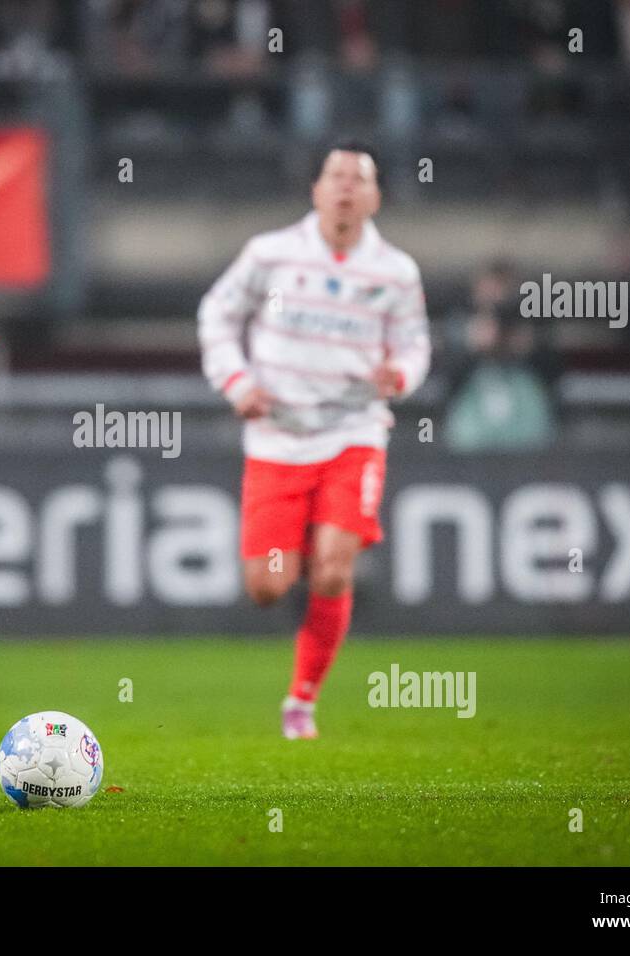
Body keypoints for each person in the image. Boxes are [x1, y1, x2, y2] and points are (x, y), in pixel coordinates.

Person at [197, 141, 429, 739]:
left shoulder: (396, 272)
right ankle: (303, 540)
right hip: (278, 437)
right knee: (269, 586)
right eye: (336, 176)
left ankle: (301, 701)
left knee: (331, 571)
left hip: (354, 432)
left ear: (375, 197)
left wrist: (400, 375)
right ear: (316, 191)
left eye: (359, 178)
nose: (346, 186)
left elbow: (415, 345)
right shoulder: (270, 254)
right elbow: (217, 313)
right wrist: (237, 382)